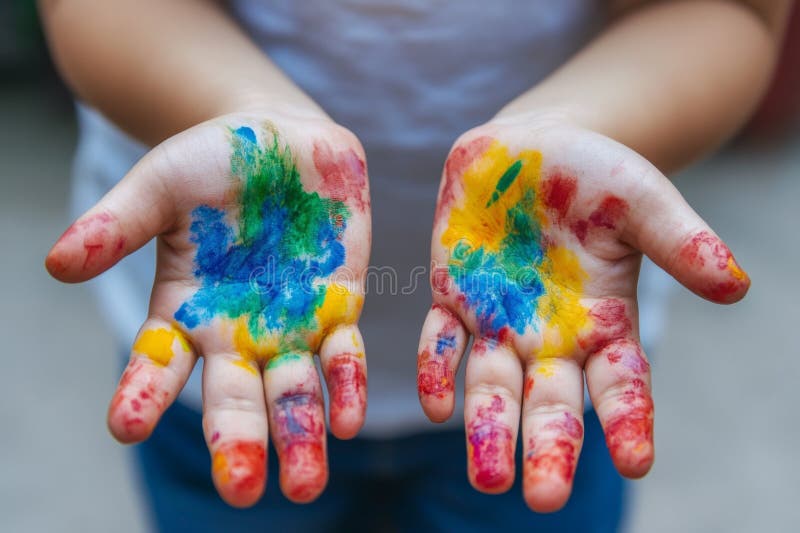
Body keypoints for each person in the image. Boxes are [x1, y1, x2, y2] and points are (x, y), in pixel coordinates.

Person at [40, 0, 790, 531]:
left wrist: (565, 130)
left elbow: (729, 10)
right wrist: (249, 114)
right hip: (225, 346)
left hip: (550, 354)